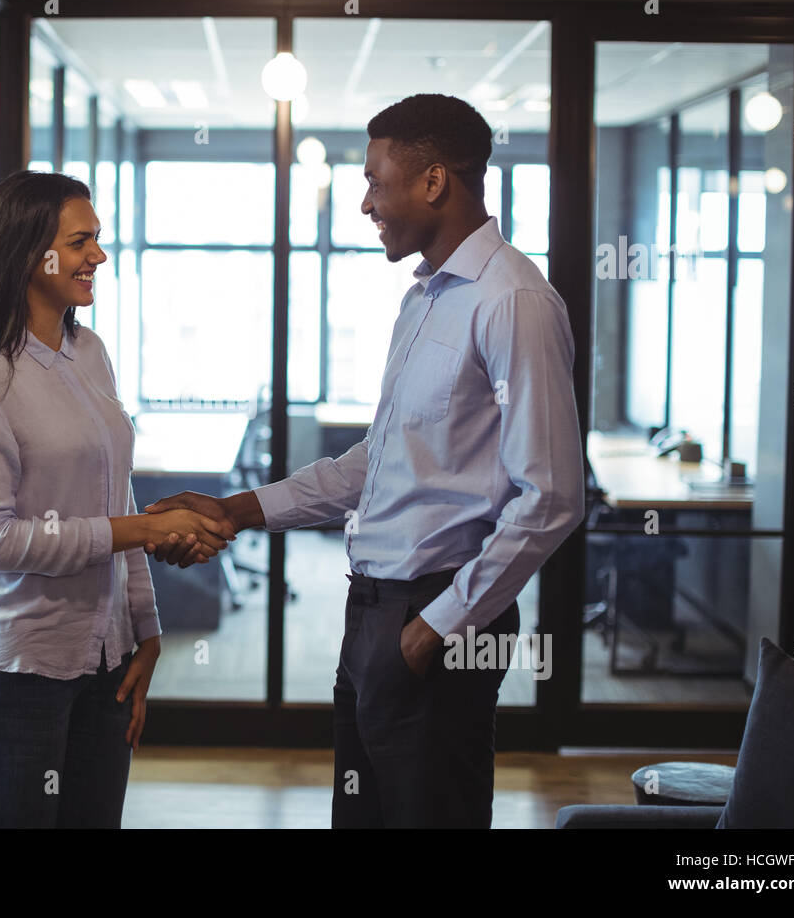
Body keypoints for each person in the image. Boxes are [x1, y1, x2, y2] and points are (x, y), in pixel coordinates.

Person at [144, 94, 585, 828]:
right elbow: (373, 464)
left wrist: (435, 628)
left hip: (435, 622)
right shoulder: (424, 300)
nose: (364, 203)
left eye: (377, 181)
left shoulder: (514, 302)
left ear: (435, 182)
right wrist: (235, 510)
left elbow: (552, 496)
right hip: (373, 615)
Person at [0, 170, 233, 828]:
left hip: (103, 656)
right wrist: (144, 531)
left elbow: (113, 495)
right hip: (14, 666)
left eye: (98, 239)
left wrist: (145, 631)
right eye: (82, 240)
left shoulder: (88, 350)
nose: (99, 256)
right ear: (32, 251)